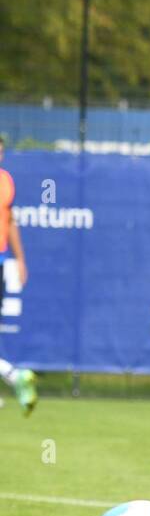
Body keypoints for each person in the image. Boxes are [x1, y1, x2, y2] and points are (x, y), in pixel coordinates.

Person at [0, 134, 36, 415]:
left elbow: (10, 221)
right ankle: (15, 375)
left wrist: (20, 259)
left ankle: (14, 375)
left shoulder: (6, 182)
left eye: (1, 152)